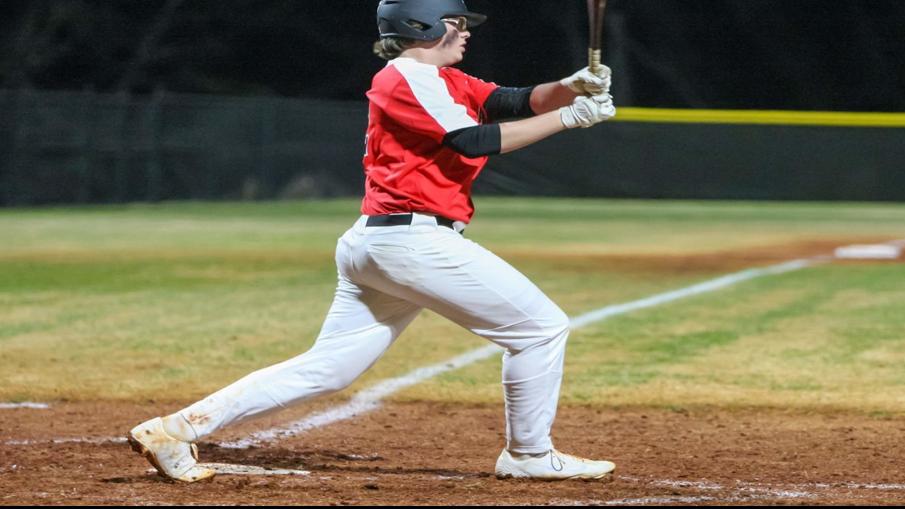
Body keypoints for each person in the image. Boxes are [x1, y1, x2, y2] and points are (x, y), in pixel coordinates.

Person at [128, 0, 620, 483]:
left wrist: (569, 86)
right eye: (457, 23)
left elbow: (509, 102)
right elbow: (472, 139)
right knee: (540, 329)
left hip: (385, 241)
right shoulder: (405, 76)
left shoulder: (442, 79)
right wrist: (570, 117)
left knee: (329, 370)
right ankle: (529, 454)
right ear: (424, 25)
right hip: (412, 242)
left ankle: (176, 429)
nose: (467, 31)